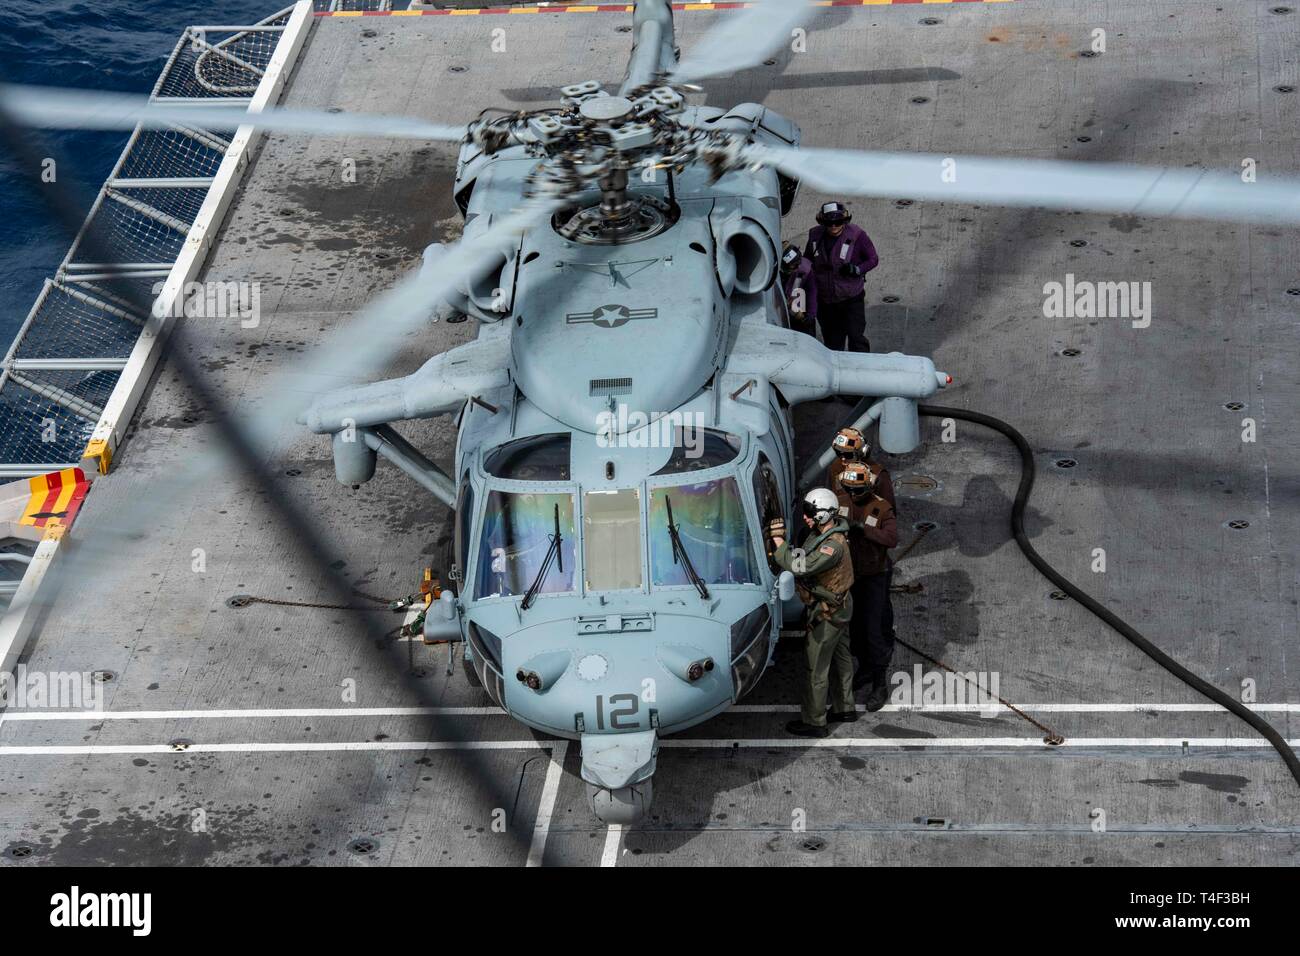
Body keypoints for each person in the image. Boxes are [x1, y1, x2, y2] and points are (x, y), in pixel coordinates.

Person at [769, 488, 857, 737]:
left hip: (827, 613)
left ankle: (815, 721)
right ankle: (844, 707)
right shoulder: (827, 532)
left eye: (809, 514)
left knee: (815, 668)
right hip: (840, 607)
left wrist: (778, 542)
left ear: (822, 514)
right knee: (841, 659)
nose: (805, 518)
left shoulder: (832, 547)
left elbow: (801, 565)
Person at [837, 463, 899, 711]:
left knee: (874, 630)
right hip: (851, 575)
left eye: (857, 491)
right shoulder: (841, 501)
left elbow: (892, 539)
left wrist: (863, 529)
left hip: (875, 576)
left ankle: (879, 682)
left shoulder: (882, 508)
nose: (853, 495)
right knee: (855, 628)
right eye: (849, 490)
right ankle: (864, 667)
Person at [804, 202, 879, 352]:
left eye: (838, 222)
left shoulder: (857, 235)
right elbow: (807, 261)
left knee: (856, 338)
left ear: (844, 221)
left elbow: (873, 259)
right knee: (832, 343)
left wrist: (857, 269)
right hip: (825, 302)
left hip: (851, 300)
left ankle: (862, 369)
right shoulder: (815, 236)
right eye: (829, 223)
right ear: (822, 222)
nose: (833, 226)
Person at [826, 427, 895, 509]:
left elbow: (888, 508)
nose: (843, 459)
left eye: (848, 455)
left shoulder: (878, 474)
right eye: (838, 453)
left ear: (862, 452)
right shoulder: (836, 466)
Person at [779, 242, 817, 336]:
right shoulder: (775, 272)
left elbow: (812, 291)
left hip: (798, 308)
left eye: (798, 263)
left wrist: (811, 315)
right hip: (780, 308)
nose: (797, 268)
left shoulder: (806, 269)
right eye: (793, 266)